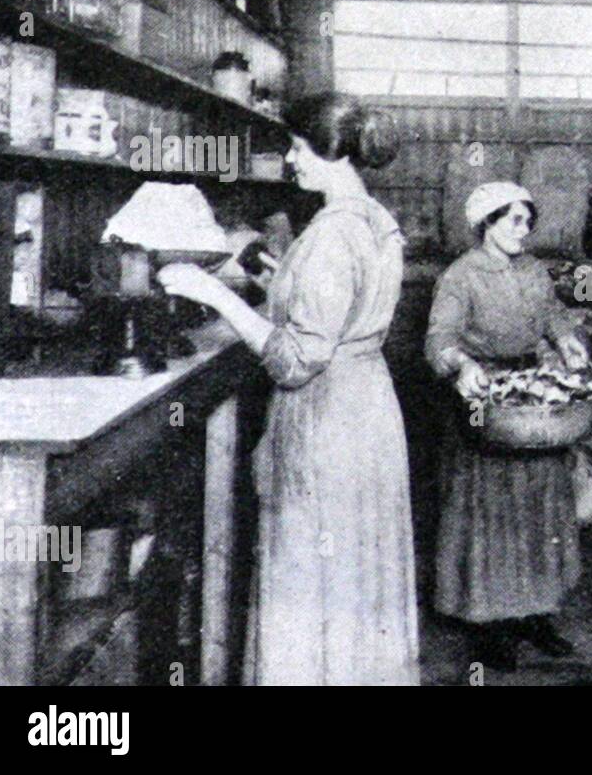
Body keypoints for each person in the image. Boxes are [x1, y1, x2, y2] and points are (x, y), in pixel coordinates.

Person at [157, 93, 419, 685]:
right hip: (367, 409)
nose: (291, 161)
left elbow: (298, 359)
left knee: (311, 571)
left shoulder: (330, 234)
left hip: (325, 417)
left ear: (331, 152)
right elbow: (336, 307)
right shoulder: (374, 221)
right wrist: (264, 272)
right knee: (357, 570)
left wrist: (214, 293)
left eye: (298, 148)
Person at [425, 181, 591, 672]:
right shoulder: (460, 276)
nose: (524, 230)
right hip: (485, 401)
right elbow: (439, 338)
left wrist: (567, 339)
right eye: (513, 220)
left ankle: (536, 615)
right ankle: (492, 626)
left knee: (541, 507)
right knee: (493, 516)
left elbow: (552, 314)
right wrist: (461, 364)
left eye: (527, 221)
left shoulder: (533, 269)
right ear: (486, 224)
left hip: (533, 400)